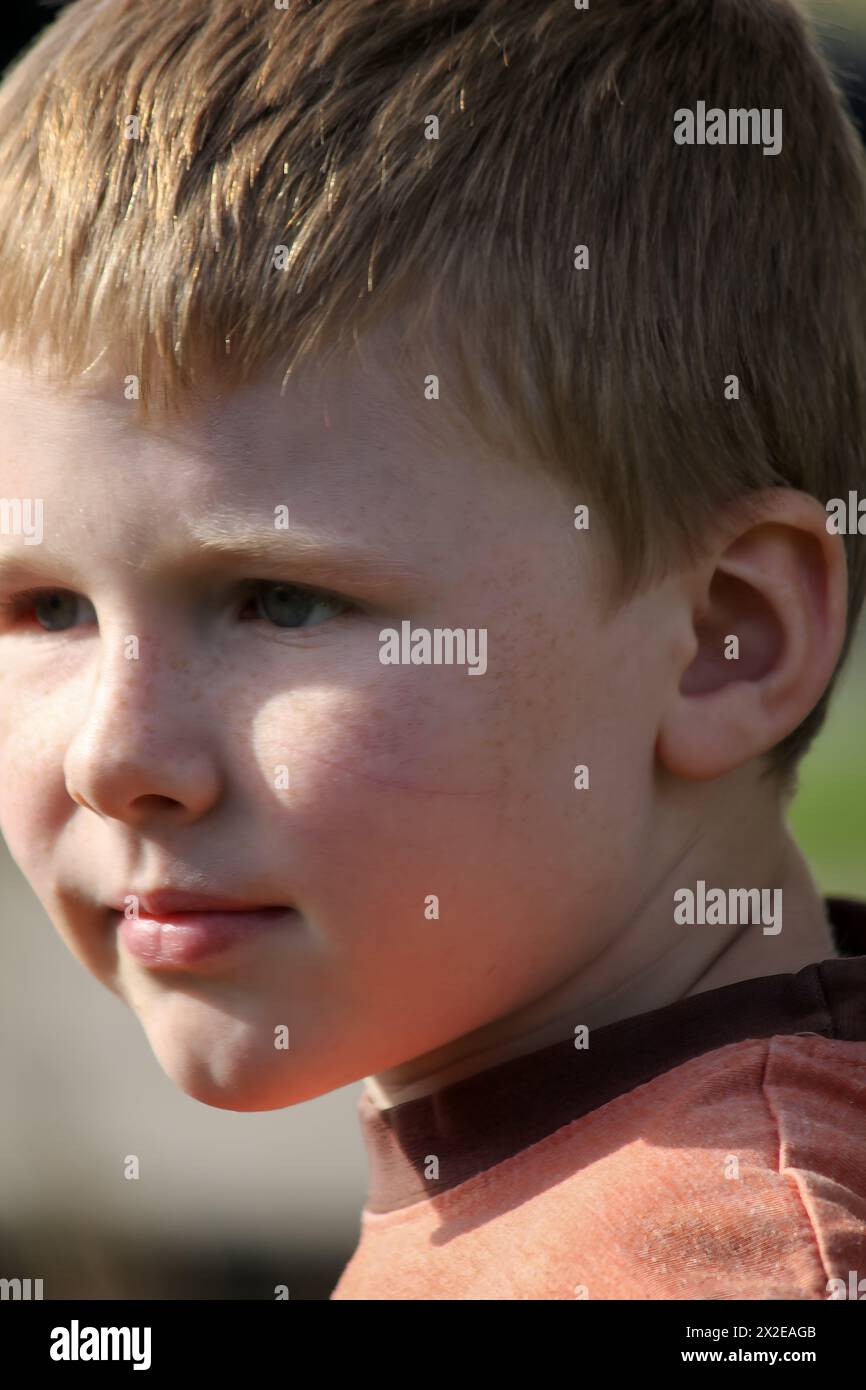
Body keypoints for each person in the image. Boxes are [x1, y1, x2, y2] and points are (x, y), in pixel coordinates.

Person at [0, 0, 864, 1300]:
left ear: (722, 638)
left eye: (278, 600)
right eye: (45, 608)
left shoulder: (705, 1268)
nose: (117, 755)